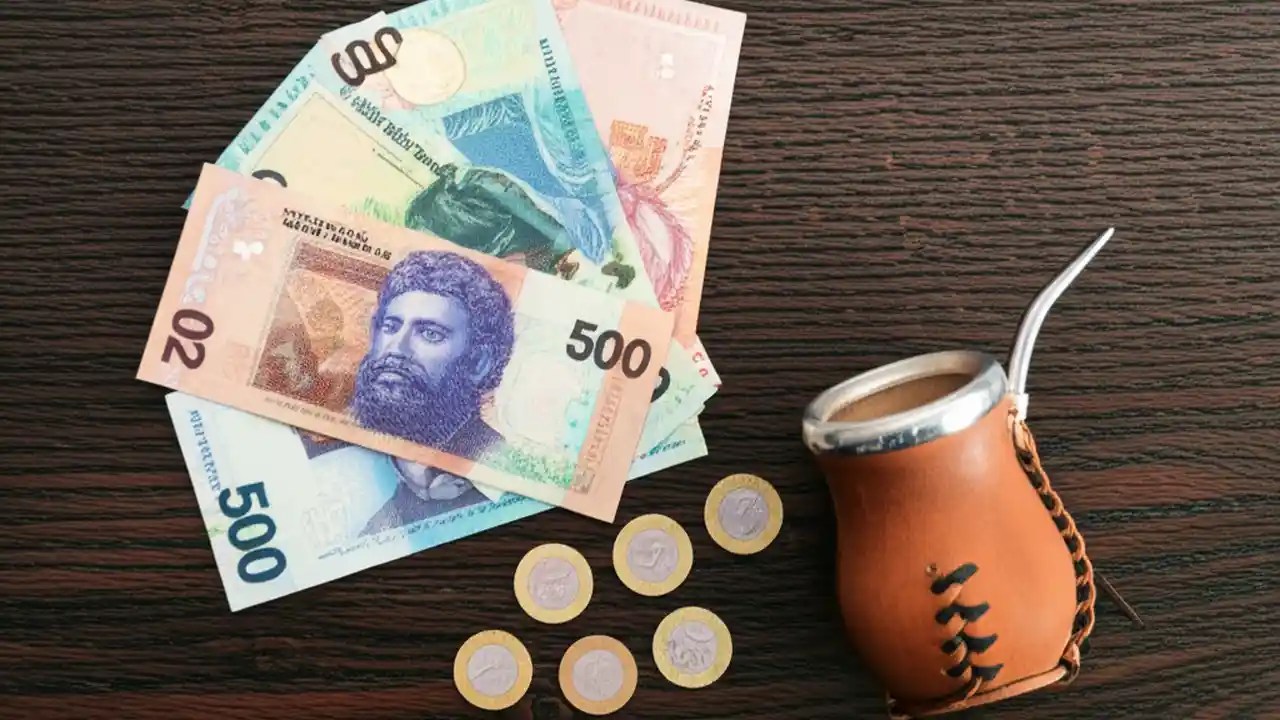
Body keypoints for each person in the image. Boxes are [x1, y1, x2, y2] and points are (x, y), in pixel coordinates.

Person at [350, 249, 515, 462]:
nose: (397, 348)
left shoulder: (494, 459)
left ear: (478, 364)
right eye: (390, 327)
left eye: (430, 334)